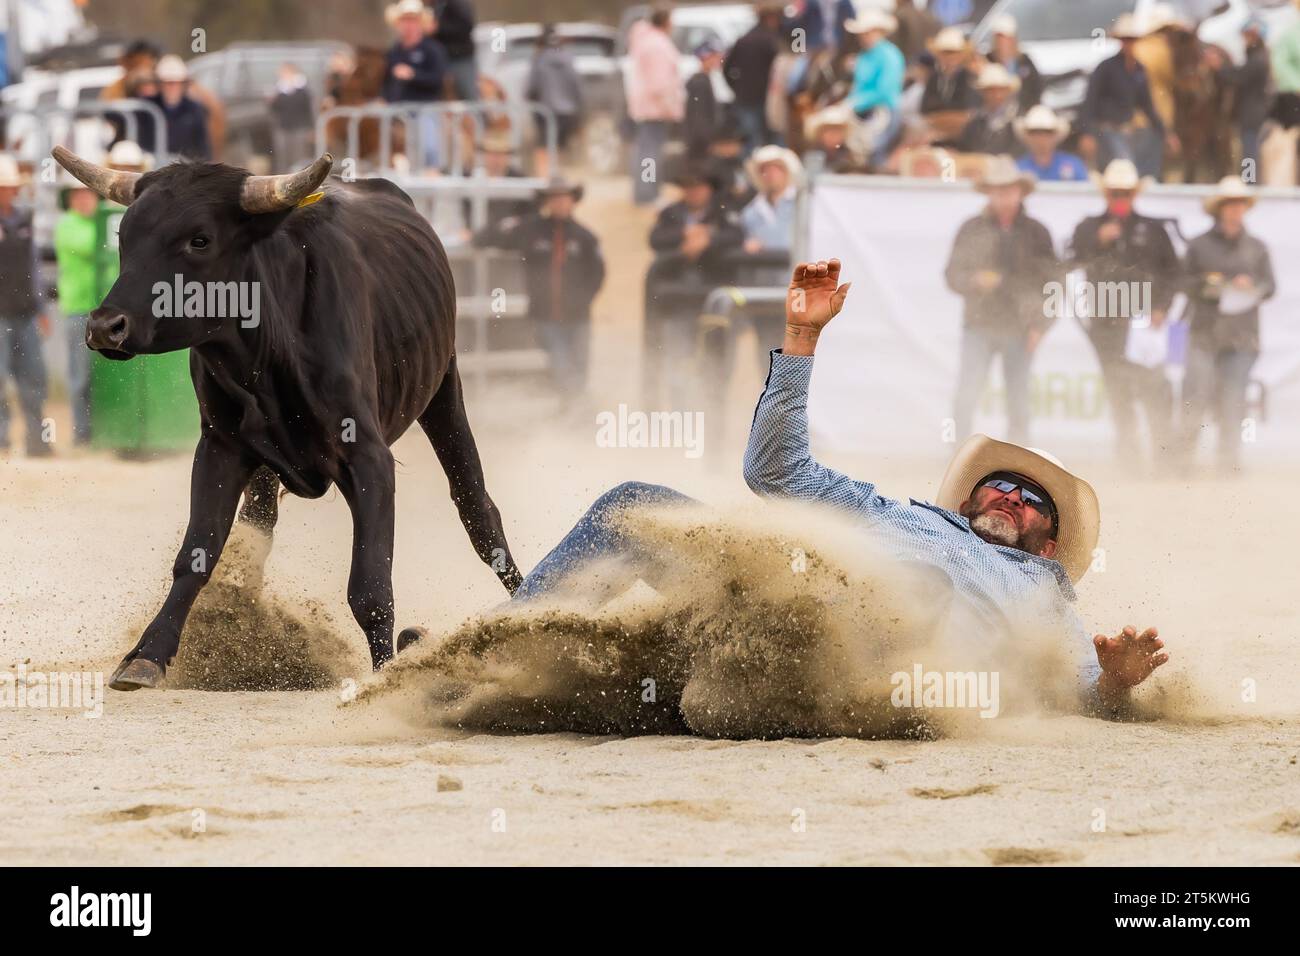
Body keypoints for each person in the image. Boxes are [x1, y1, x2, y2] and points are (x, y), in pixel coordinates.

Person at [514, 258, 1169, 720]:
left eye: (1031, 503)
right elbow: (775, 473)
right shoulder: (883, 511)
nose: (1009, 498)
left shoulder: (1046, 597)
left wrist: (1117, 683)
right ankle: (500, 655)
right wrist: (801, 341)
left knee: (922, 588)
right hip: (783, 618)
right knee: (631, 505)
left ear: (1048, 548)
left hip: (876, 671)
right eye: (1000, 484)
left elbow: (1084, 691)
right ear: (966, 499)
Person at [1070, 159, 1180, 464]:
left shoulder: (1154, 230)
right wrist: (1097, 242)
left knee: (1154, 389)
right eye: (1115, 193)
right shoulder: (1088, 228)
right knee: (1119, 392)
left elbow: (1173, 272)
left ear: (1134, 195)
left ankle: (1163, 457)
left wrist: (1161, 307)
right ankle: (1129, 457)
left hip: (1146, 325)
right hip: (1106, 324)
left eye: (1125, 193)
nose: (1120, 199)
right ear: (1106, 195)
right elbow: (1070, 262)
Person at [944, 156, 1059, 445]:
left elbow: (1053, 286)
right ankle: (959, 455)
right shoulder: (971, 229)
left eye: (1008, 189)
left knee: (1018, 400)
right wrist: (974, 281)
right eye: (997, 190)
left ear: (1020, 192)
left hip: (1021, 328)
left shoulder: (1037, 233)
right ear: (988, 193)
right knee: (967, 394)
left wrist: (1040, 327)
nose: (1003, 196)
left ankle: (1018, 461)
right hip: (979, 326)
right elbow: (952, 274)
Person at [472, 178, 603, 405]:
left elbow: (598, 273)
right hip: (546, 316)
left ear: (572, 201)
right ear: (547, 202)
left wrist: (584, 298)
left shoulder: (585, 237)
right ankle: (577, 411)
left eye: (564, 197)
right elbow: (487, 238)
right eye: (555, 198)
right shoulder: (530, 229)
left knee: (579, 368)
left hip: (578, 316)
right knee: (561, 366)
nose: (560, 203)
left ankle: (573, 413)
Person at [1179, 177, 1275, 474]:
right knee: (1197, 394)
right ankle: (1183, 459)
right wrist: (1213, 285)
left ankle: (1228, 463)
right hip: (1205, 332)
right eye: (1230, 204)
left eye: (1239, 204)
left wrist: (1252, 286)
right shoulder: (1198, 245)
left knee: (1233, 400)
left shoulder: (1257, 248)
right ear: (1219, 209)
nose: (1235, 209)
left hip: (1241, 337)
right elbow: (1184, 282)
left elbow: (1270, 286)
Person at [643, 163, 744, 408]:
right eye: (688, 187)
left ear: (709, 189)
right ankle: (681, 411)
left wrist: (707, 240)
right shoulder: (671, 213)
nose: (693, 192)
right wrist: (685, 238)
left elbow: (736, 236)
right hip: (677, 302)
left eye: (698, 186)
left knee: (719, 362)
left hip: (715, 301)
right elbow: (656, 239)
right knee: (677, 360)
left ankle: (713, 411)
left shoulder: (724, 213)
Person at [1078, 14, 1175, 180]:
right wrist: (1087, 133)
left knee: (1144, 154)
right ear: (1120, 41)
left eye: (1132, 40)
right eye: (1126, 39)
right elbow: (1090, 101)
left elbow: (1147, 106)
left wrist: (1165, 133)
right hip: (1107, 130)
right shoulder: (1106, 68)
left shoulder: (1139, 71)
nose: (1129, 44)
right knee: (1124, 168)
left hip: (1128, 131)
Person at [53, 177, 106, 448]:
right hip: (79, 310)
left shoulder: (104, 225)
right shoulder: (67, 225)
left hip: (104, 311)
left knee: (104, 378)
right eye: (79, 195)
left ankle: (105, 431)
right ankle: (83, 433)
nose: (84, 200)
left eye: (89, 194)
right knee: (80, 377)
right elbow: (94, 248)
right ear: (71, 200)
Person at [0, 154, 47, 458]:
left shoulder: (25, 220)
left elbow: (35, 267)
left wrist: (41, 308)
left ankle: (36, 439)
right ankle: (1, 439)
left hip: (26, 311)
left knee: (34, 377)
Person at [626, 7, 683, 205]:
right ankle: (647, 193)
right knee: (650, 154)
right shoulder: (657, 45)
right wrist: (671, 107)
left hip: (648, 107)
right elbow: (660, 84)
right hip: (654, 108)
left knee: (646, 151)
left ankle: (645, 191)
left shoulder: (648, 41)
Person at [382, 0, 448, 172]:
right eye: (404, 20)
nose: (408, 25)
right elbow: (386, 82)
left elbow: (438, 80)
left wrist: (413, 75)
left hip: (424, 109)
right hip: (397, 111)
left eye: (413, 20)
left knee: (429, 148)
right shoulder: (394, 51)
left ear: (420, 23)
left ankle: (432, 173)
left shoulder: (433, 49)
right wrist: (385, 99)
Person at [844, 8, 905, 169]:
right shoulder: (864, 56)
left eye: (868, 32)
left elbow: (885, 91)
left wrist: (854, 103)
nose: (863, 37)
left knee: (874, 153)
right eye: (862, 33)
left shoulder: (890, 55)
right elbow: (858, 86)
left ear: (880, 32)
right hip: (861, 112)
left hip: (884, 111)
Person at [723, 2, 784, 154]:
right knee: (773, 142)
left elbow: (727, 68)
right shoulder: (774, 41)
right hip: (769, 99)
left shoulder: (744, 40)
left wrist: (736, 88)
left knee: (751, 142)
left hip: (746, 97)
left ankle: (751, 174)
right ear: (772, 19)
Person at [526, 25, 583, 177]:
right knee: (560, 148)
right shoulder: (567, 57)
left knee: (543, 148)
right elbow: (576, 86)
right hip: (568, 112)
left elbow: (532, 86)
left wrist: (530, 102)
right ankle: (557, 178)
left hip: (546, 111)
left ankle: (544, 181)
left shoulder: (539, 58)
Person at [150, 55, 211, 160]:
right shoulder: (148, 108)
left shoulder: (194, 109)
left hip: (182, 170)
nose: (173, 87)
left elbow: (203, 148)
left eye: (177, 83)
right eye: (168, 83)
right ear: (159, 84)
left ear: (184, 84)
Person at [954, 63, 1022, 156]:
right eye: (991, 90)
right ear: (983, 93)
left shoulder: (1018, 121)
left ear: (1008, 91)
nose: (996, 95)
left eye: (1000, 90)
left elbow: (1019, 153)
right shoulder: (974, 122)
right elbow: (964, 149)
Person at [1234, 18, 1273, 176]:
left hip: (1253, 115)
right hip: (1254, 113)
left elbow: (1240, 76)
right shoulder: (1259, 57)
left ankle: (1250, 182)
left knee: (1250, 151)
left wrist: (1220, 68)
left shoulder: (1258, 60)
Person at [1014, 105, 1087, 182]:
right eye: (1034, 132)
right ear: (1027, 136)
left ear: (1055, 135)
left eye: (1047, 132)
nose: (1041, 138)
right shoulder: (1018, 169)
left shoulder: (1073, 165)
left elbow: (1086, 191)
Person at [986, 14, 1042, 113]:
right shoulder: (988, 61)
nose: (1003, 43)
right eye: (999, 39)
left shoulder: (1025, 62)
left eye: (1007, 39)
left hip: (1021, 112)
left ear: (1013, 40)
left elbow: (1036, 89)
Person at [684, 40, 727, 162]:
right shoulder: (700, 82)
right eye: (715, 56)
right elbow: (699, 116)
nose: (719, 59)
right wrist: (705, 139)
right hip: (699, 140)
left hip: (699, 138)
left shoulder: (704, 79)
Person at [268, 64, 315, 171]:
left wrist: (311, 128)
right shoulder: (279, 89)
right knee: (283, 156)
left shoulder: (303, 89)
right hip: (283, 126)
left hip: (300, 127)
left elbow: (309, 109)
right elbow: (274, 109)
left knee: (299, 156)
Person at [433, 0, 478, 101]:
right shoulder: (436, 5)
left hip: (461, 59)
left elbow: (466, 25)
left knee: (469, 95)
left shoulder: (458, 3)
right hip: (442, 60)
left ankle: (479, 116)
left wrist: (438, 28)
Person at [891, 0, 940, 64]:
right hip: (926, 64)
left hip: (906, 62)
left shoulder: (899, 15)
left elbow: (892, 44)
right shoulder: (929, 15)